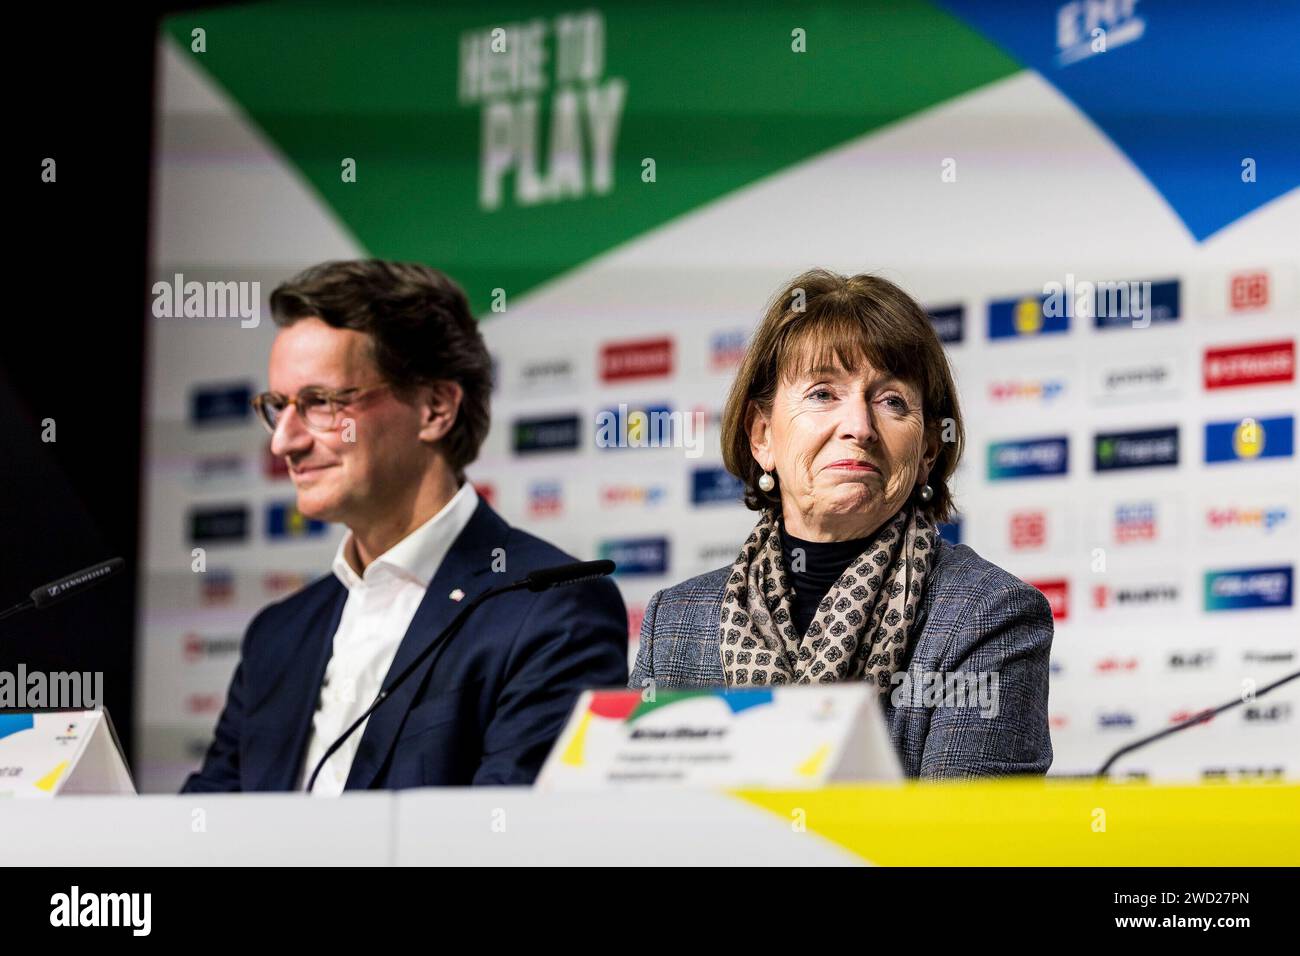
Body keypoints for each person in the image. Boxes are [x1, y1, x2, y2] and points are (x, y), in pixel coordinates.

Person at [183, 260, 627, 793]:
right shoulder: (277, 634)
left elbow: (510, 842)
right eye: (278, 407)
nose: (284, 442)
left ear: (435, 408)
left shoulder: (552, 607)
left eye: (320, 403)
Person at [630, 269, 1053, 778]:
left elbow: (959, 847)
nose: (858, 427)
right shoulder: (674, 625)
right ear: (762, 436)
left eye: (891, 401)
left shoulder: (989, 617)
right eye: (823, 394)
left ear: (926, 452)